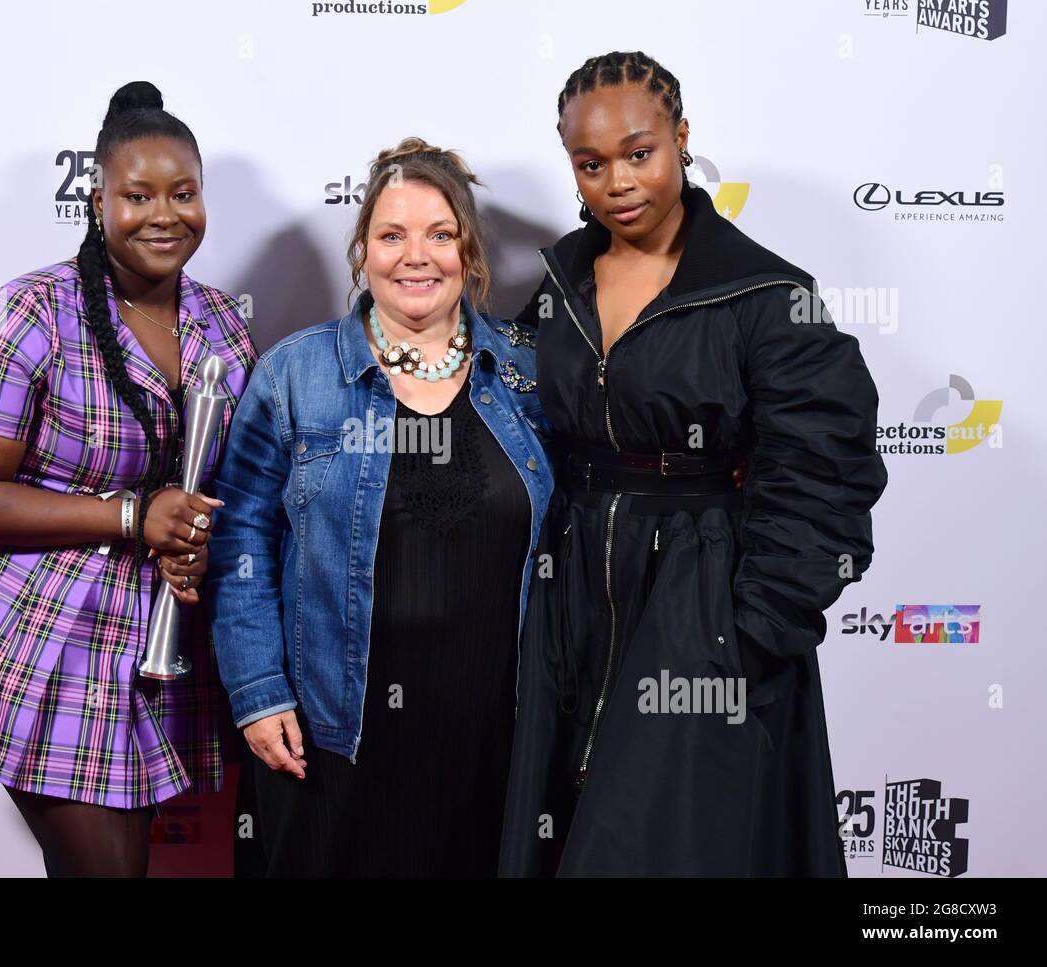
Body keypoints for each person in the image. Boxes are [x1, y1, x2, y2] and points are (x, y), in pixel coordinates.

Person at [499, 51, 888, 876]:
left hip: (700, 598)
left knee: (665, 844)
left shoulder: (763, 292)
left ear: (681, 139)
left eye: (639, 153)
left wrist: (748, 631)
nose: (618, 182)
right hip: (572, 593)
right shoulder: (559, 280)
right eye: (591, 163)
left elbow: (827, 472)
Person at [0, 81, 256, 877]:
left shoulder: (223, 321)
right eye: (137, 195)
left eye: (184, 192)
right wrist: (133, 518)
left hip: (164, 641)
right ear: (98, 201)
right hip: (48, 629)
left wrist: (196, 538)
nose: (165, 214)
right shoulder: (27, 314)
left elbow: (233, 485)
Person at [207, 139, 554, 876]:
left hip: (491, 740)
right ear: (362, 250)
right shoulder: (296, 374)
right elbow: (240, 538)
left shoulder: (526, 371)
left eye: (439, 233)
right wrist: (257, 688)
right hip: (333, 738)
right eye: (392, 235)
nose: (415, 256)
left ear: (467, 248)